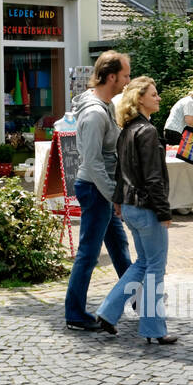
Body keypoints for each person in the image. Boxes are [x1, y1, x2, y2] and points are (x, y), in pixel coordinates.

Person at [92, 77, 176, 344]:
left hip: (130, 206)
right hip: (146, 207)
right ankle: (153, 329)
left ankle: (107, 311)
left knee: (142, 263)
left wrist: (118, 202)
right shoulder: (147, 131)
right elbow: (152, 177)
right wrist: (164, 212)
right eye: (154, 94)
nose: (159, 97)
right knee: (155, 268)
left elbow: (120, 173)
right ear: (140, 99)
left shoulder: (127, 129)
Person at [64, 51, 133, 331]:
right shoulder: (94, 113)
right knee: (89, 254)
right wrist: (113, 196)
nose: (128, 81)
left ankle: (139, 300)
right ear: (112, 76)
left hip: (100, 189)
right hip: (95, 190)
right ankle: (75, 314)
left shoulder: (105, 105)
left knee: (119, 247)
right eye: (126, 75)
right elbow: (92, 162)